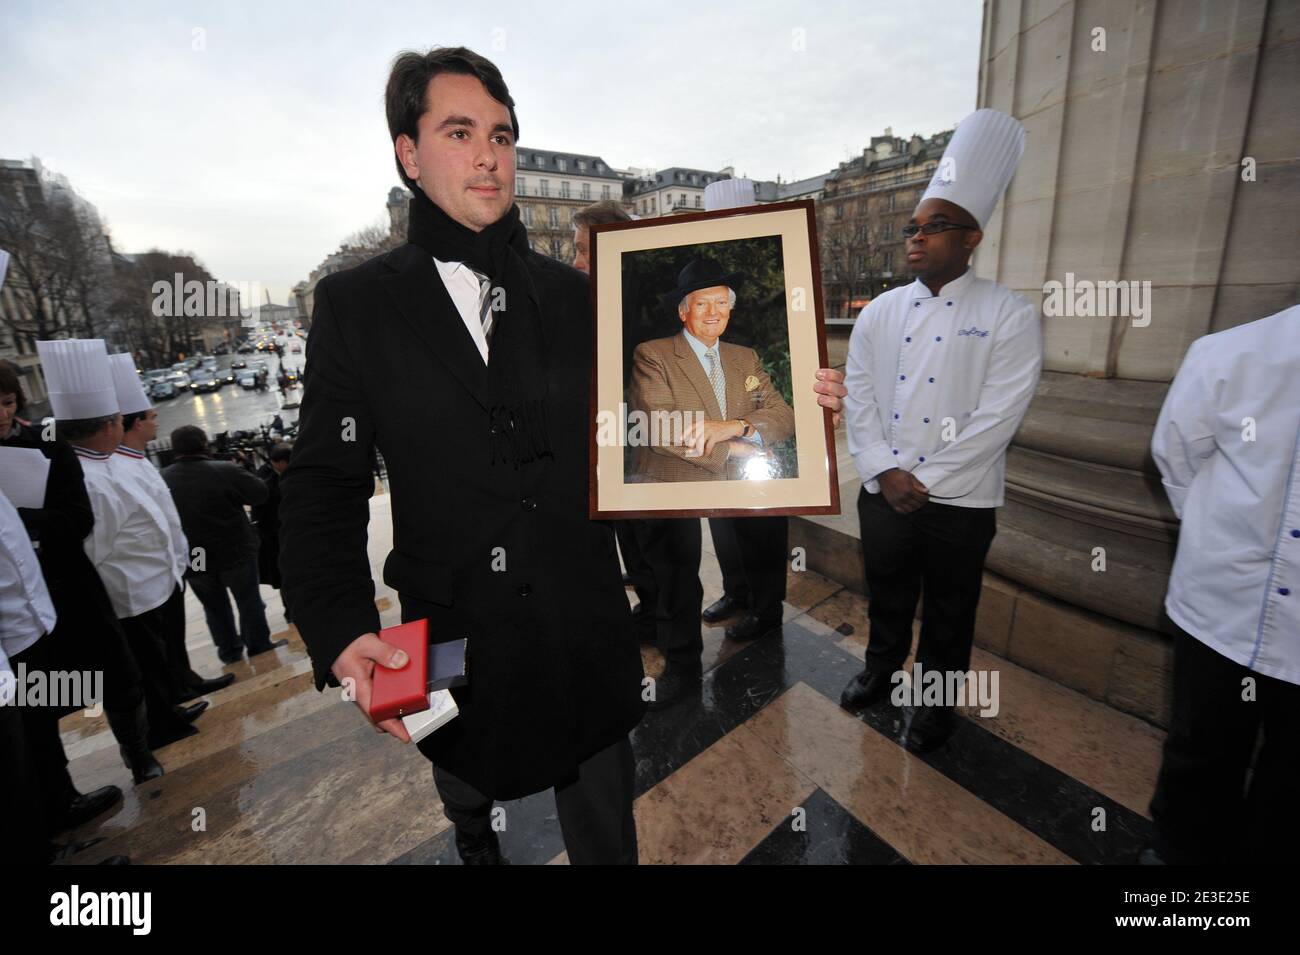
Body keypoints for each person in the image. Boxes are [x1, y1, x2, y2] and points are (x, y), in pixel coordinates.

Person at [279, 46, 647, 865]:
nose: (489, 154)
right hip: (456, 629)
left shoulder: (576, 296)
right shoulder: (355, 306)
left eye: (503, 134)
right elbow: (323, 486)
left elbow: (645, 429)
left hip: (585, 624)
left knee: (607, 833)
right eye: (459, 131)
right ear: (408, 154)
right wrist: (339, 628)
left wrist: (789, 407)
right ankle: (474, 842)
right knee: (466, 781)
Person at [838, 108, 1043, 754]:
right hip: (886, 489)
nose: (916, 238)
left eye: (936, 226)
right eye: (913, 227)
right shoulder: (879, 313)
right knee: (888, 594)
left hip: (961, 500)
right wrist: (883, 470)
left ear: (972, 236)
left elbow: (997, 419)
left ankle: (933, 706)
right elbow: (860, 394)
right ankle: (880, 667)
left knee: (951, 615)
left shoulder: (1010, 315)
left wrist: (923, 481)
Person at [1145, 303, 1299, 865]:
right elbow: (1177, 458)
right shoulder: (1230, 353)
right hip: (1221, 607)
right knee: (1200, 749)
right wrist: (1223, 541)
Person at [40, 342, 206, 759]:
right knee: (144, 670)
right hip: (128, 592)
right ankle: (158, 730)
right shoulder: (89, 478)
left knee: (160, 663)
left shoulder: (110, 459)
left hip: (153, 582)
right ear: (109, 425)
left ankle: (170, 714)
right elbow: (95, 549)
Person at [109, 354, 235, 702]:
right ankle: (173, 693)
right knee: (157, 644)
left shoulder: (140, 459)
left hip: (170, 566)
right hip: (144, 573)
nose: (156, 420)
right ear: (134, 424)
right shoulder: (119, 466)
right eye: (151, 416)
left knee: (174, 637)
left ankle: (185, 680)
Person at [628, 256, 795, 483]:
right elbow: (659, 428)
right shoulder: (653, 355)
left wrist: (736, 427)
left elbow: (784, 416)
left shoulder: (746, 357)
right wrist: (736, 449)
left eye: (721, 303)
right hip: (678, 495)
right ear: (682, 312)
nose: (712, 312)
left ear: (730, 309)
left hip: (743, 492)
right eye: (701, 304)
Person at [162, 425, 286, 665]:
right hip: (233, 549)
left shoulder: (163, 478)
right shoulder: (223, 470)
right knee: (248, 599)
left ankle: (229, 651)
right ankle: (258, 644)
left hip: (195, 554)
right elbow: (260, 494)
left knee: (213, 606)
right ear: (203, 444)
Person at [253, 442, 292, 623]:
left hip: (293, 534)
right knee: (284, 576)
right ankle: (290, 611)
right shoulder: (265, 481)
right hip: (275, 537)